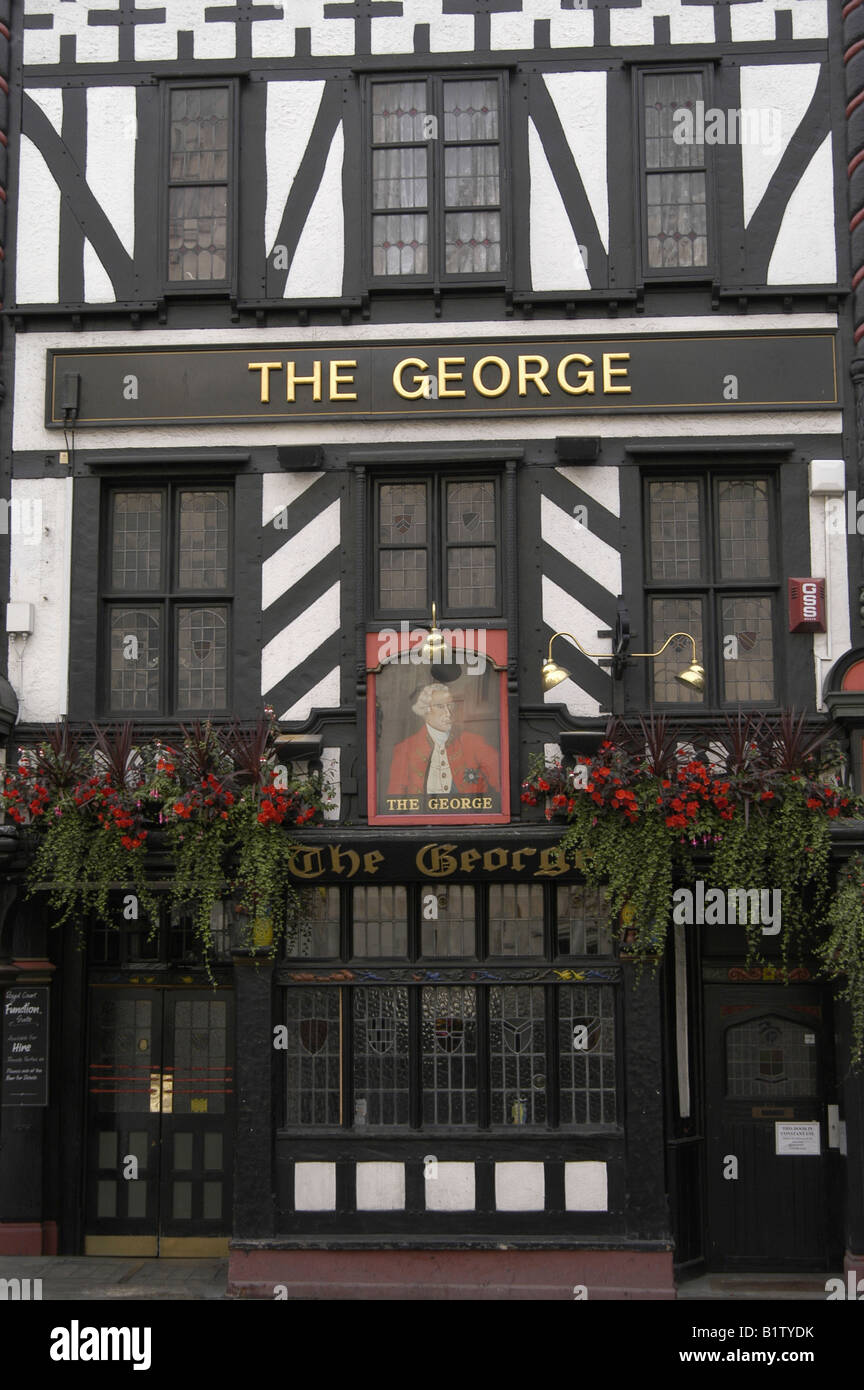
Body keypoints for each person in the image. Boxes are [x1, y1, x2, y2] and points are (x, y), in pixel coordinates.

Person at [386, 682, 499, 797]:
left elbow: (503, 786)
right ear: (425, 710)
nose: (448, 713)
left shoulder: (473, 742)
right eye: (440, 706)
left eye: (450, 706)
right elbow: (395, 803)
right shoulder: (404, 749)